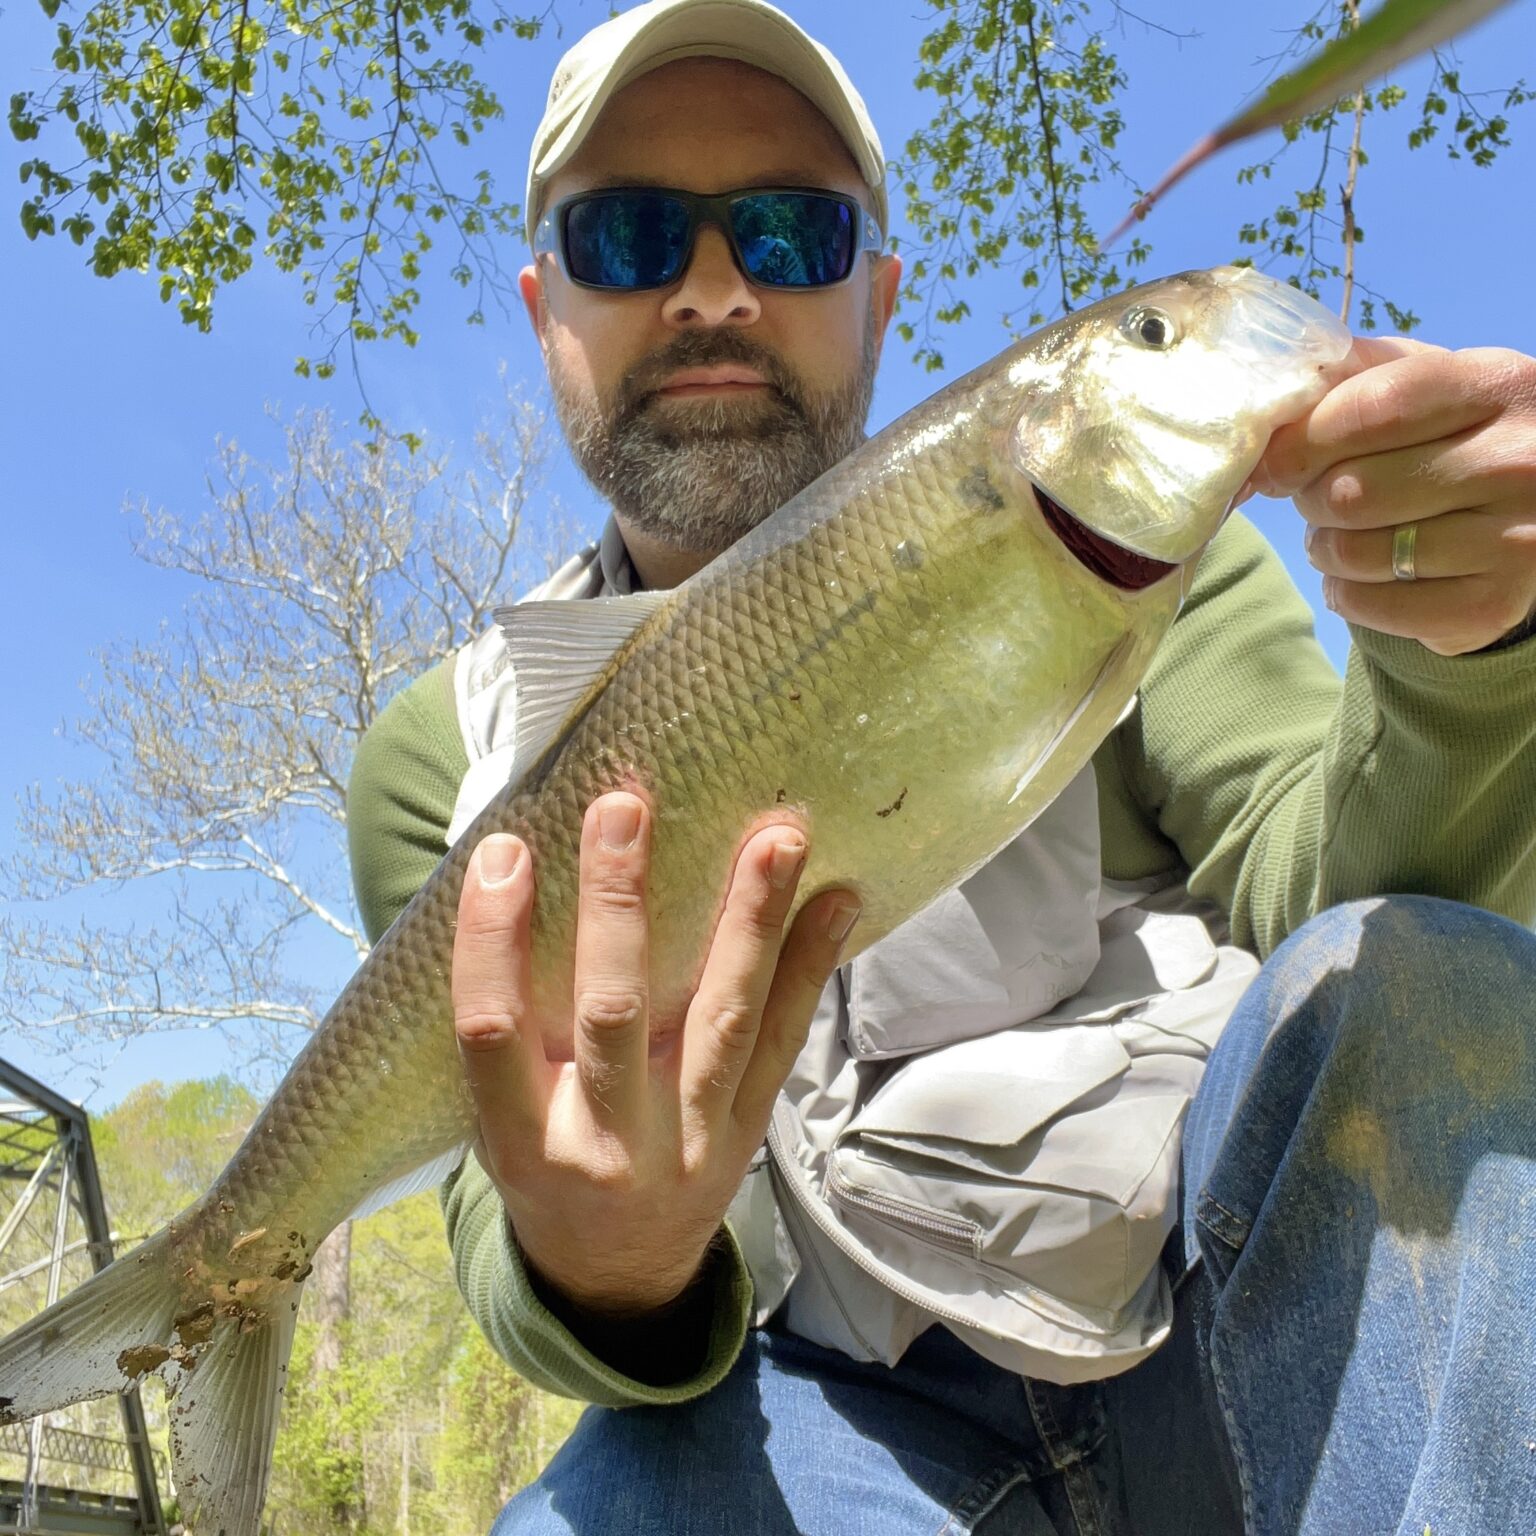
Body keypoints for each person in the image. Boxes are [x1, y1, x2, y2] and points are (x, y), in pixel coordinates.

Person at [346, 1, 1536, 1530]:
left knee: (1429, 974)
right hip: (819, 1431)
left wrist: (1470, 665)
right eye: (630, 236)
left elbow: (1357, 934)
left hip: (1232, 1295)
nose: (714, 289)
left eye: (791, 233)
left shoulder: (1139, 556)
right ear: (542, 305)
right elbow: (490, 1237)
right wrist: (607, 1272)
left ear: (882, 292)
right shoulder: (436, 757)